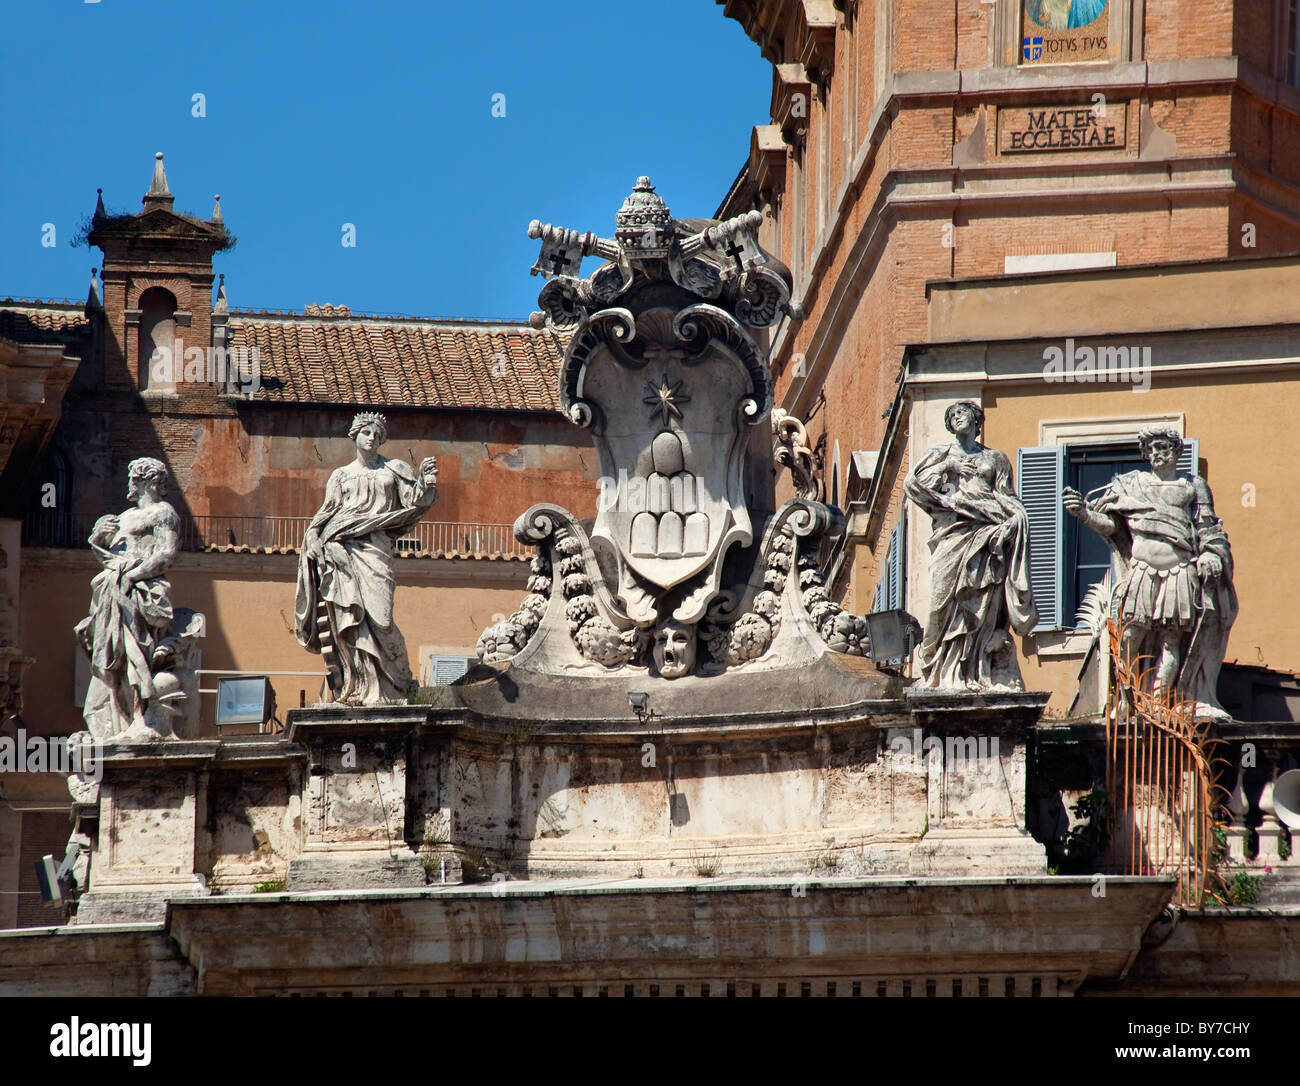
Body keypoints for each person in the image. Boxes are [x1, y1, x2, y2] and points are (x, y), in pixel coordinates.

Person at [1063, 425, 1236, 718]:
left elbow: (1207, 527)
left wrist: (1211, 554)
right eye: (1152, 448)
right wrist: (1083, 513)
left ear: (1177, 451)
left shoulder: (1193, 486)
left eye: (1164, 446)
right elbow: (1111, 526)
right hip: (1142, 570)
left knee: (1171, 639)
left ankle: (1158, 704)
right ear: (1145, 453)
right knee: (1131, 632)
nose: (1157, 453)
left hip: (1179, 570)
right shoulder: (1132, 484)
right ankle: (1128, 695)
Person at [295, 413, 438, 705]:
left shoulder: (394, 469)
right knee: (350, 619)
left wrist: (425, 480)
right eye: (366, 433)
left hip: (376, 549)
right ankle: (358, 687)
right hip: (341, 549)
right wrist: (312, 539)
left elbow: (417, 501)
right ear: (355, 436)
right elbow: (325, 515)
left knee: (381, 619)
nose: (372, 437)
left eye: (377, 434)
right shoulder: (341, 475)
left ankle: (398, 683)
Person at [904, 401, 1038, 689]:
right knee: (941, 602)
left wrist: (1016, 520)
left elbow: (1007, 497)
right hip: (952, 533)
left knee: (983, 603)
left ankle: (975, 672)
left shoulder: (995, 459)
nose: (956, 417)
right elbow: (913, 486)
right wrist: (947, 466)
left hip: (988, 532)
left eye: (962, 412)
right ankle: (939, 666)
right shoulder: (939, 455)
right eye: (951, 415)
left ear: (977, 421)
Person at [75, 457, 181, 738]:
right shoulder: (121, 518)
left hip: (139, 591)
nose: (129, 484)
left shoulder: (163, 512)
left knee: (135, 655)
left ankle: (139, 716)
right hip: (112, 590)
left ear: (149, 481)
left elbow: (166, 554)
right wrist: (97, 538)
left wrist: (133, 576)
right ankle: (117, 721)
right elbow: (108, 554)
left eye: (133, 478)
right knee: (112, 655)